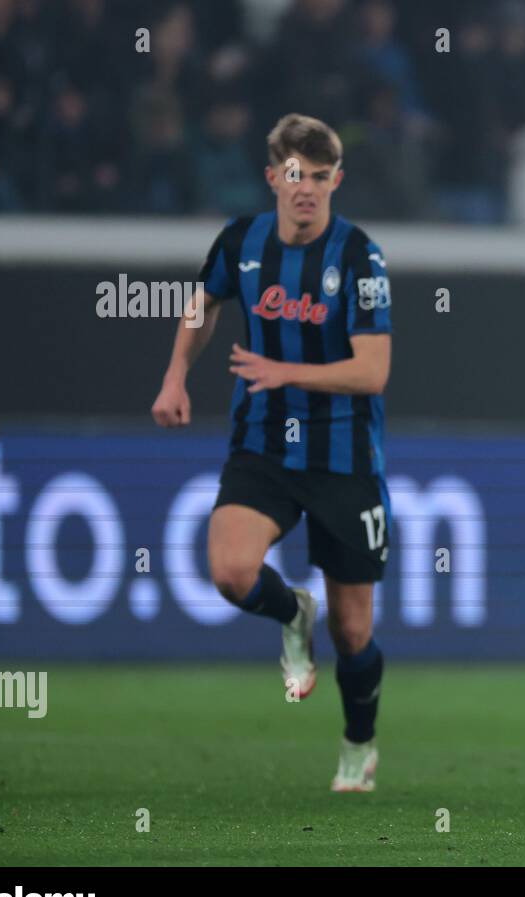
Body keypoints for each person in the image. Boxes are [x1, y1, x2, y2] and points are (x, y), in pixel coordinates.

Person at [151, 113, 393, 792]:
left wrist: (289, 373)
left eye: (320, 177)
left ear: (336, 180)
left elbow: (374, 371)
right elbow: (203, 306)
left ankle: (358, 742)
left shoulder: (359, 256)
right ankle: (292, 611)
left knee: (352, 633)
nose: (307, 188)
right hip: (263, 445)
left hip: (345, 457)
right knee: (229, 572)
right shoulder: (240, 241)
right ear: (272, 178)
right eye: (295, 175)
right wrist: (175, 376)